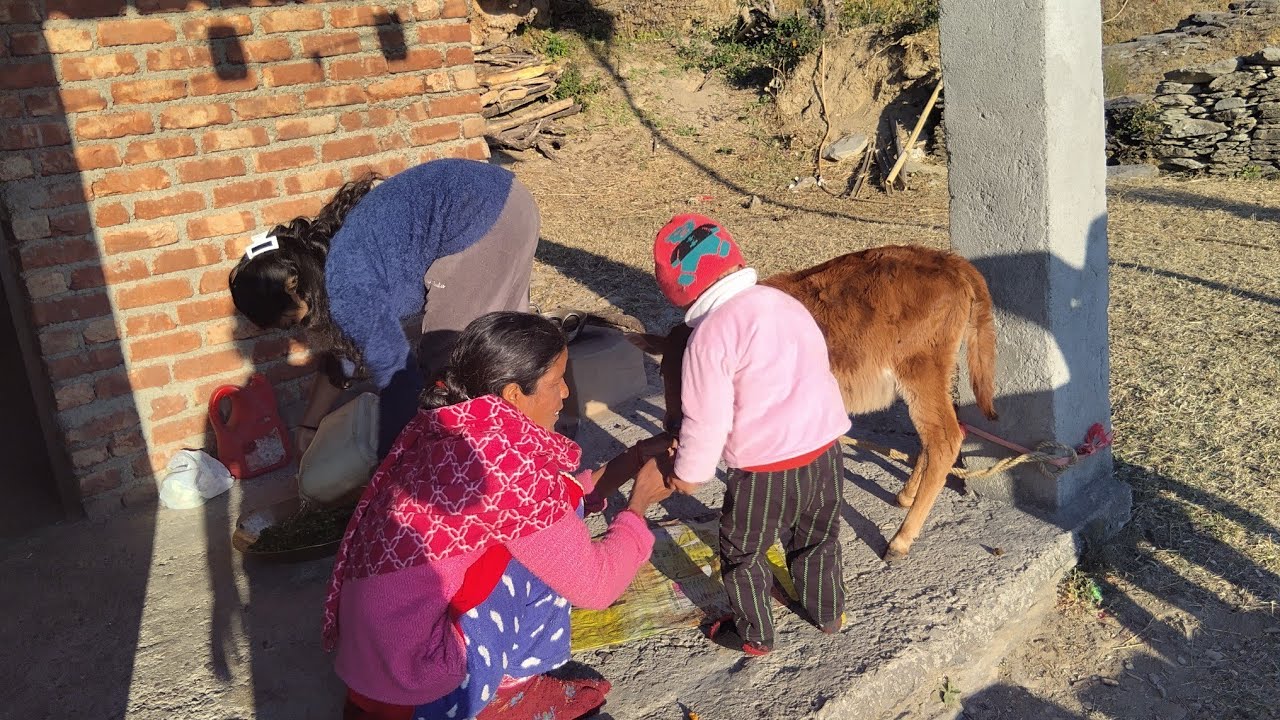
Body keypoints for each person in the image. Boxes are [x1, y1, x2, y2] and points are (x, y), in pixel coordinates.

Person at [324, 311, 673, 720]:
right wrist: (638, 507)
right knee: (545, 557)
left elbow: (557, 497)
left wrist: (631, 460)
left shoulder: (453, 424)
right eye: (556, 381)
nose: (566, 392)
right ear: (512, 395)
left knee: (553, 521)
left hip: (373, 663)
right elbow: (595, 587)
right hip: (417, 682)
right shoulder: (509, 468)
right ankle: (509, 693)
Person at [228, 158, 541, 459]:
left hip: (482, 218)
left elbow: (399, 382)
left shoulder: (346, 282)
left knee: (451, 365)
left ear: (294, 287)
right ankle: (533, 446)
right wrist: (310, 424)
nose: (300, 329)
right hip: (507, 199)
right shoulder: (330, 251)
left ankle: (483, 467)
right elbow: (346, 358)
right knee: (508, 345)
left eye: (289, 322)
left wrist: (390, 470)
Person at [640, 213, 852, 656]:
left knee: (744, 553)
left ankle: (756, 634)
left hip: (764, 474)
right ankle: (827, 612)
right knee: (817, 537)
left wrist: (689, 474)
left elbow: (706, 419)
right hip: (826, 453)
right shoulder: (785, 303)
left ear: (678, 290)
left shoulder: (710, 337)